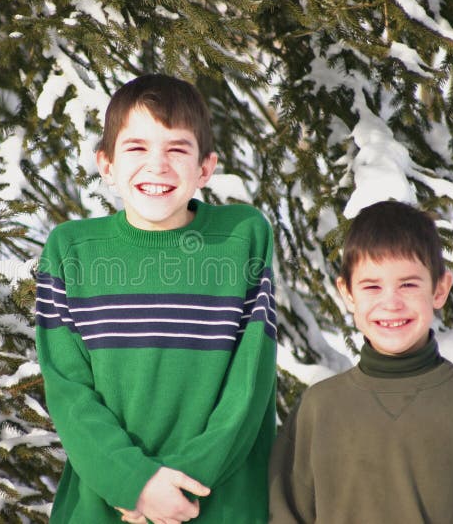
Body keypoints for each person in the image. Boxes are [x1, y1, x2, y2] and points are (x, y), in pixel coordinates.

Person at [35, 73, 277, 524]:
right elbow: (68, 391)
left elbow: (249, 385)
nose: (158, 165)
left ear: (205, 167)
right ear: (106, 165)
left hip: (217, 502)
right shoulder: (70, 250)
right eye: (137, 148)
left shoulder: (243, 237)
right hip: (108, 506)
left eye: (177, 149)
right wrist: (135, 483)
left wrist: (179, 483)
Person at [268, 200, 453, 523]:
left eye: (407, 284)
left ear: (439, 289)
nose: (390, 303)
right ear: (347, 293)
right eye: (372, 286)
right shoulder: (318, 409)